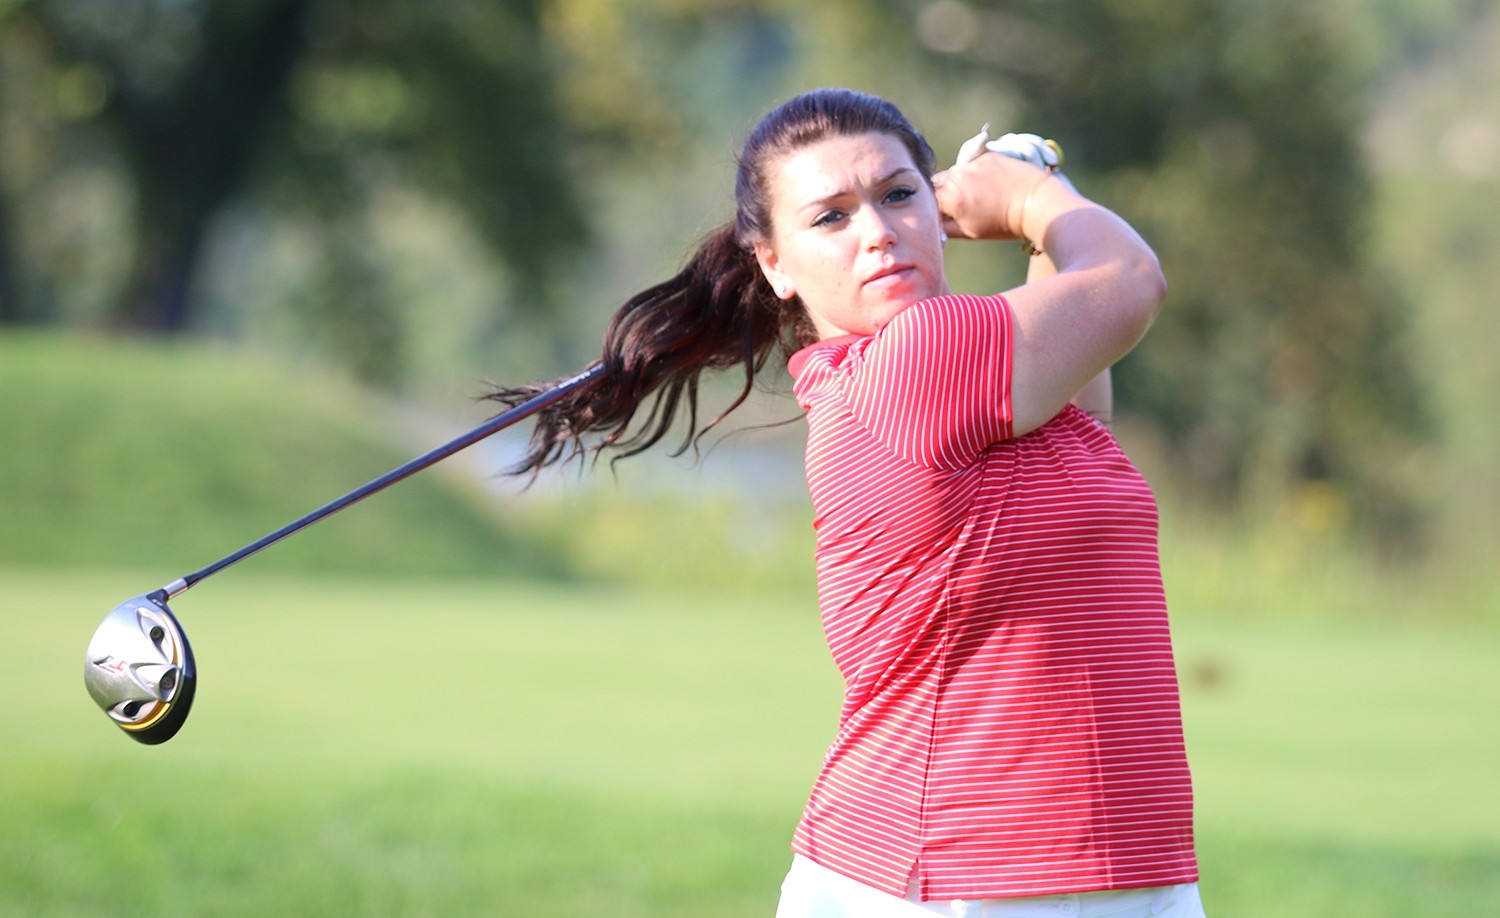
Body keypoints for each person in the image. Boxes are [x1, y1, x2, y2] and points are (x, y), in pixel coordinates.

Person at [489, 87, 1204, 917]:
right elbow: (1128, 279)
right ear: (774, 265)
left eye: (899, 196)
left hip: (1113, 862)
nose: (877, 232)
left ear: (936, 211)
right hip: (953, 874)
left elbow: (1084, 386)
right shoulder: (920, 363)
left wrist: (1031, 198)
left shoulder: (968, 375)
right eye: (830, 218)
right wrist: (1031, 197)